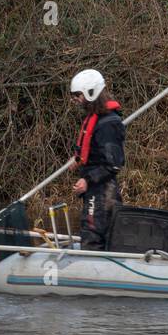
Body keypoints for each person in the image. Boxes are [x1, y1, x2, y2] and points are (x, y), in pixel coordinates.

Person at [68, 69, 125, 250]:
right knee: (94, 231)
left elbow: (113, 164)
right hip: (96, 189)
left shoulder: (109, 124)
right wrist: (78, 158)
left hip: (102, 191)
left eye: (78, 95)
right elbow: (94, 150)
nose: (75, 99)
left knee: (92, 234)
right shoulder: (96, 118)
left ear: (91, 92)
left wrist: (87, 179)